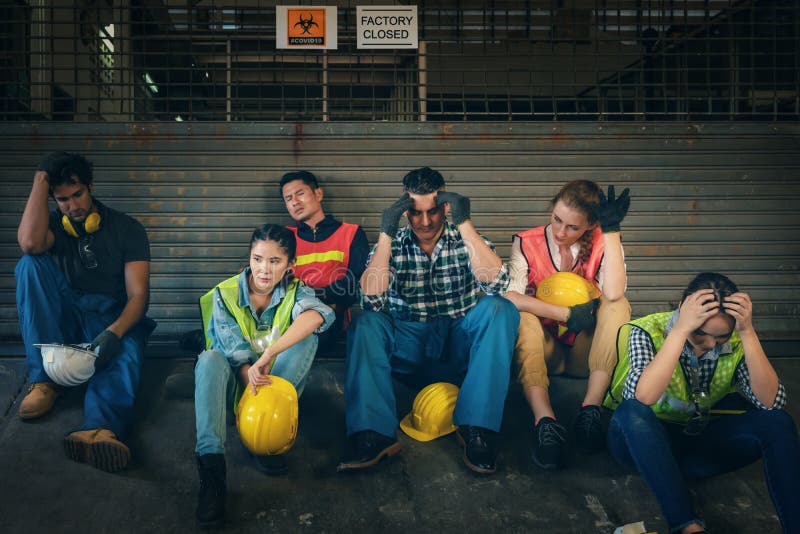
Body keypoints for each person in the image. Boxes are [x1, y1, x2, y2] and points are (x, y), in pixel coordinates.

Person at [337, 166, 519, 475]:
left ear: (446, 207)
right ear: (405, 210)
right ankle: (374, 435)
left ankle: (476, 428)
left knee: (500, 309)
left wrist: (464, 224)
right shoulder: (390, 245)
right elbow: (371, 301)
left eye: (433, 212)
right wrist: (385, 233)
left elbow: (498, 285)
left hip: (458, 345)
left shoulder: (470, 239)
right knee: (366, 323)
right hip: (408, 348)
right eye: (415, 212)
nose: (424, 221)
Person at [604, 272, 800, 534]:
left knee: (778, 423)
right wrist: (681, 330)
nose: (709, 345)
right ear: (684, 309)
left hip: (696, 448)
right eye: (700, 335)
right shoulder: (647, 330)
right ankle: (688, 527)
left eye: (720, 338)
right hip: (641, 446)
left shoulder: (736, 338)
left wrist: (747, 332)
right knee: (632, 412)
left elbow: (771, 403)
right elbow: (644, 397)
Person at [15, 151, 156, 472]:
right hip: (69, 315)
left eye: (77, 194)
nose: (73, 205)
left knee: (125, 353)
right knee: (29, 264)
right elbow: (29, 244)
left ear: (90, 187)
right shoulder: (52, 227)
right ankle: (43, 382)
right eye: (62, 199)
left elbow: (138, 296)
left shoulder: (126, 228)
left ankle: (100, 428)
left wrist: (114, 333)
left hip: (112, 318)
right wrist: (41, 176)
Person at [194, 223, 333, 528]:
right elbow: (232, 350)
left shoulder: (297, 291)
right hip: (237, 381)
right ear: (249, 258)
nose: (264, 270)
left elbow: (318, 315)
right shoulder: (225, 294)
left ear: (290, 265)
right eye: (257, 259)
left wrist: (270, 354)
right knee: (209, 359)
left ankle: (268, 433)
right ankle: (212, 474)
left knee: (307, 336)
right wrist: (251, 380)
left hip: (274, 380)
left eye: (274, 261)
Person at [505, 180, 631, 470]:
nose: (561, 232)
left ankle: (590, 411)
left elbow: (613, 294)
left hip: (584, 354)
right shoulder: (526, 241)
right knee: (522, 316)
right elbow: (510, 297)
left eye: (572, 227)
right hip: (545, 350)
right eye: (557, 220)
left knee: (619, 305)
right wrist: (565, 314)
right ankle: (545, 421)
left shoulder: (603, 240)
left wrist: (611, 232)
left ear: (589, 225)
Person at [280, 171, 369, 353]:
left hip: (332, 322)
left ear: (318, 194)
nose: (294, 202)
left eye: (300, 193)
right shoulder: (283, 238)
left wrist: (313, 296)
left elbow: (355, 285)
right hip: (289, 320)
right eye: (288, 198)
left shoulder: (351, 234)